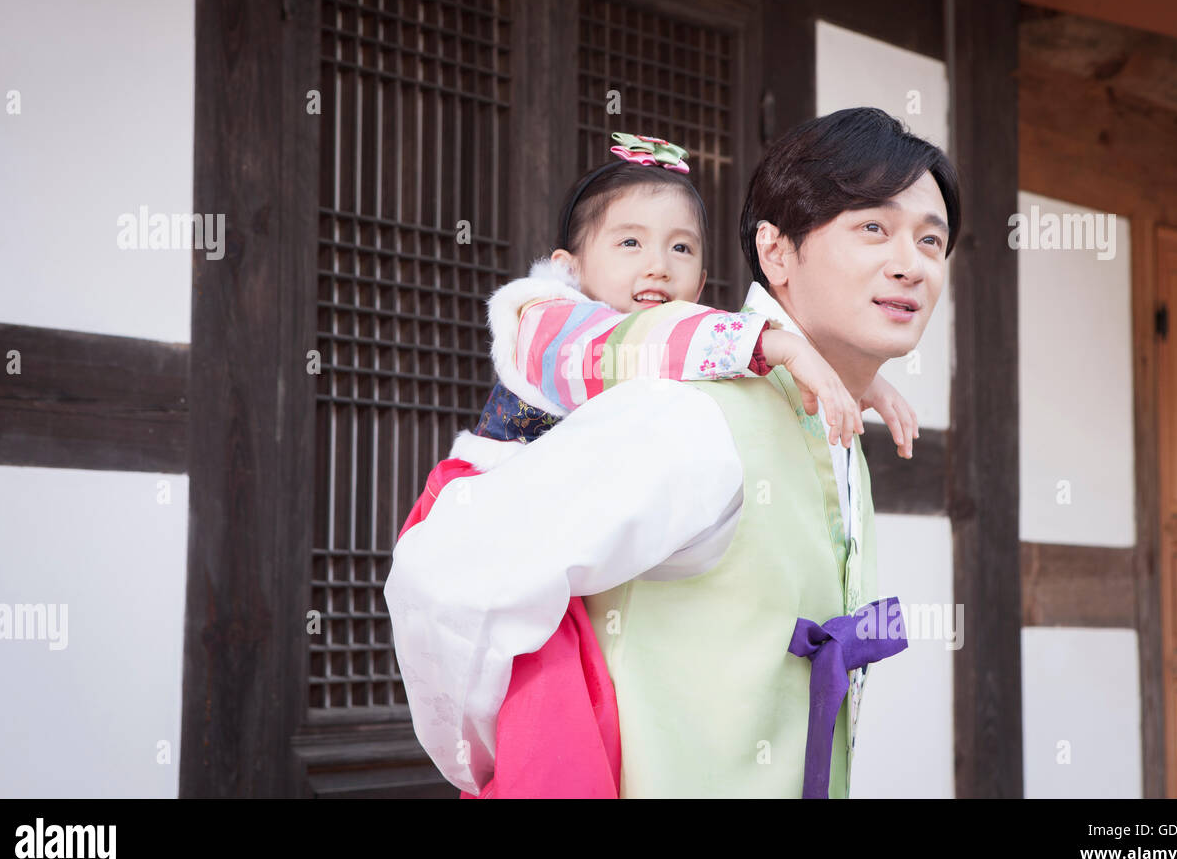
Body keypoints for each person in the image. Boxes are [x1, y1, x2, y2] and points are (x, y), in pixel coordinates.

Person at [388, 107, 960, 797]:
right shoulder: (690, 413)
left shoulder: (826, 420)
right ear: (776, 250)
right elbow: (447, 579)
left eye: (932, 241)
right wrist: (522, 756)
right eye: (874, 228)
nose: (910, 264)